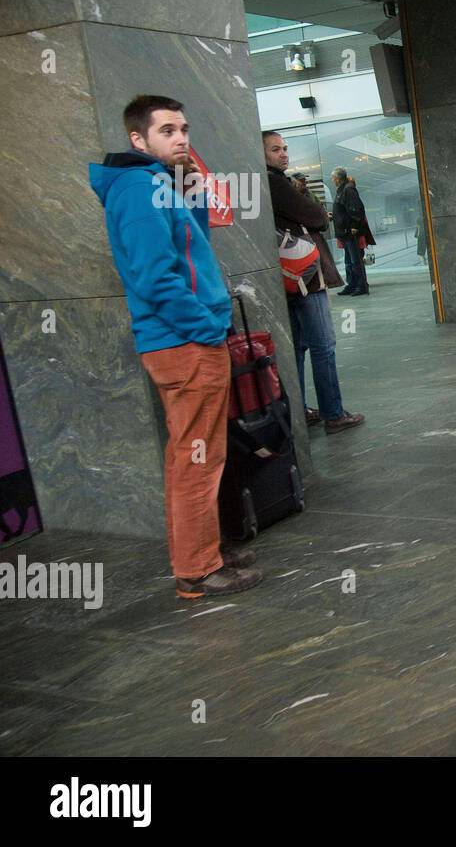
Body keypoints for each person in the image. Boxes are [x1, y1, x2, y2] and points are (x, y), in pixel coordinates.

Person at [88, 95, 262, 598]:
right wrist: (205, 327)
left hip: (184, 340)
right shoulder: (139, 190)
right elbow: (155, 277)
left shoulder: (159, 183)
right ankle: (198, 569)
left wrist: (189, 180)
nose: (181, 137)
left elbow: (196, 242)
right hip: (184, 342)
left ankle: (202, 552)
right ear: (138, 139)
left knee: (194, 455)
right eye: (167, 130)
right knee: (197, 458)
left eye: (184, 128)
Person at [264, 133, 366, 434]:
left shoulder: (265, 182)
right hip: (305, 274)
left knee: (296, 346)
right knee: (323, 345)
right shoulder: (275, 182)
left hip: (286, 276)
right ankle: (333, 413)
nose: (283, 154)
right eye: (275, 149)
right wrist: (307, 198)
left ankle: (297, 409)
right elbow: (319, 217)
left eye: (284, 148)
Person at [332, 167, 373, 295]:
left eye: (333, 178)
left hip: (350, 232)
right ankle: (352, 284)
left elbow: (356, 209)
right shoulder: (343, 189)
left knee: (355, 261)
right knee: (349, 261)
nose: (332, 180)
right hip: (345, 232)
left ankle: (361, 286)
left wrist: (354, 226)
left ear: (338, 178)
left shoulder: (348, 189)